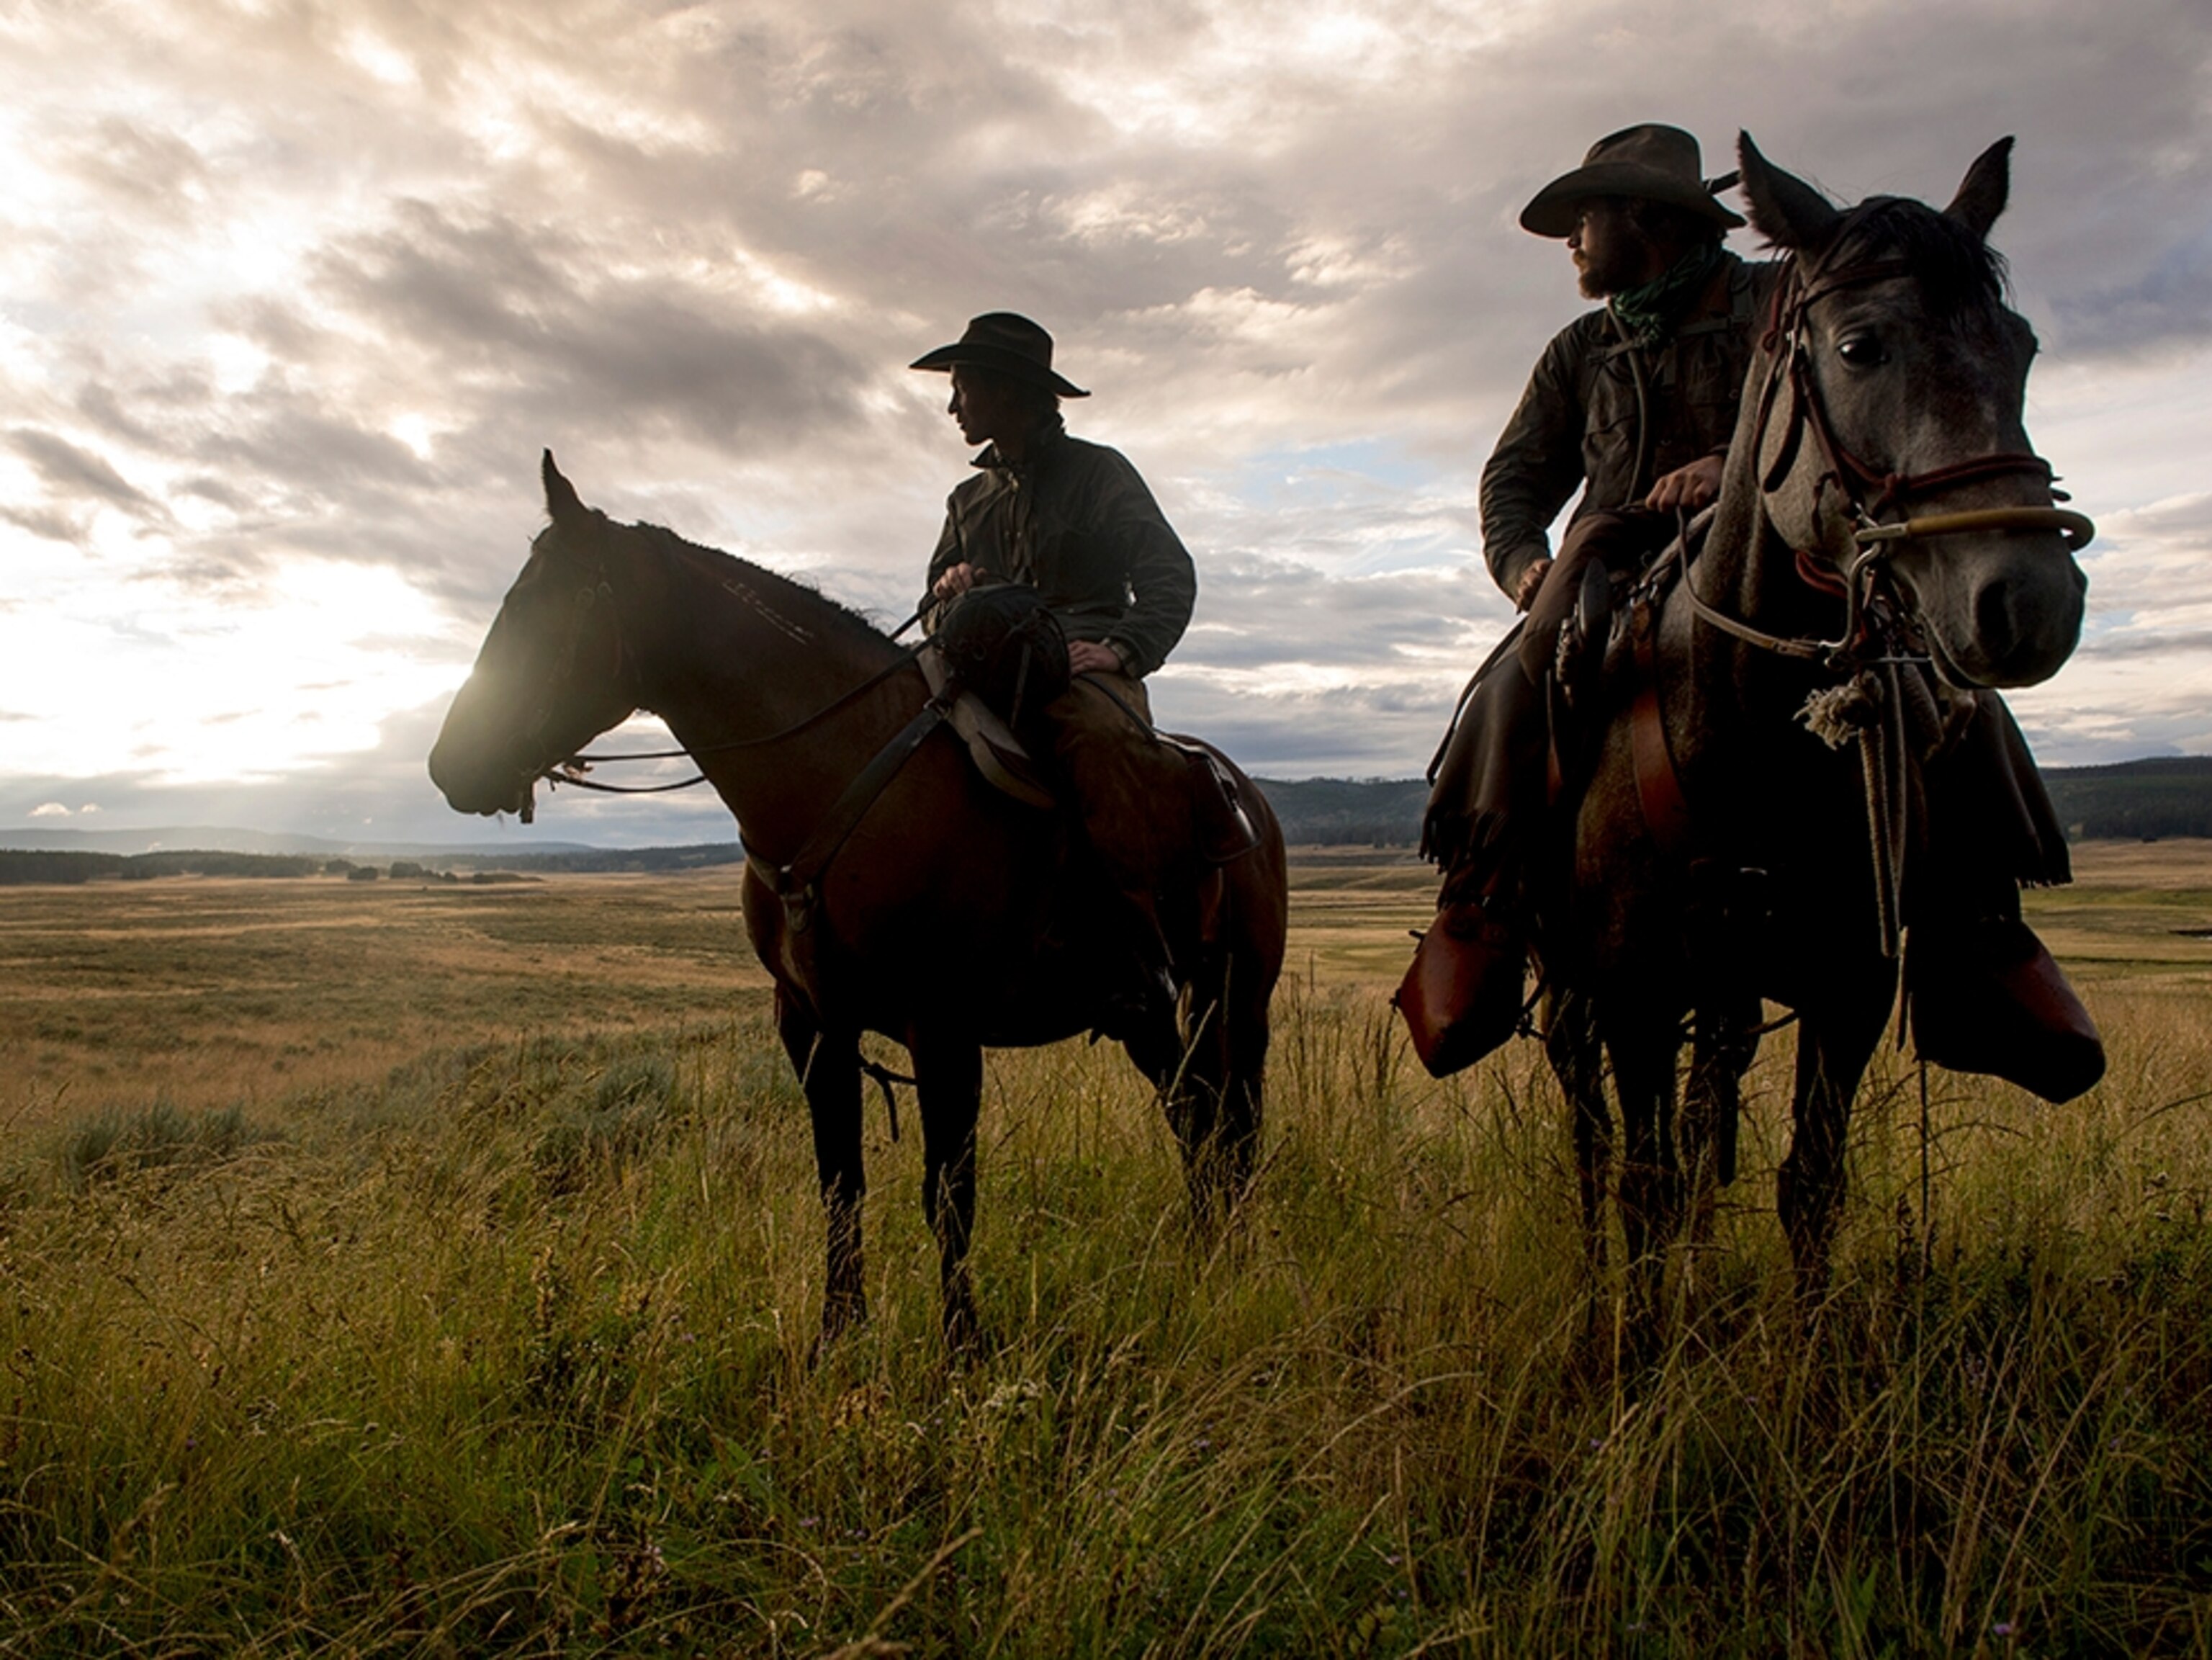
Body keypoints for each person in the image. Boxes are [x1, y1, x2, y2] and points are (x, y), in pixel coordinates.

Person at [1406, 126, 2100, 1100]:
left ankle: (1980, 928)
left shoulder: (1788, 297)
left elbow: (1857, 403)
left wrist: (1731, 469)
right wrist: (1529, 571)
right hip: (1621, 563)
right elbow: (1515, 480)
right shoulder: (1582, 350)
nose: (1572, 240)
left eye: (1585, 218)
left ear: (1644, 219)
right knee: (1511, 688)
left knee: (1950, 692)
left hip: (1803, 559)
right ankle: (1482, 903)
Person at [911, 311, 1201, 1016]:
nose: (953, 407)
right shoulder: (967, 499)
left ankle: (1138, 949)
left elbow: (1169, 575)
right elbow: (928, 602)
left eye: (965, 388)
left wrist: (1125, 650)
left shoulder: (1099, 473)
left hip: (1082, 660)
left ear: (1009, 391)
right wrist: (946, 597)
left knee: (1095, 740)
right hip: (983, 663)